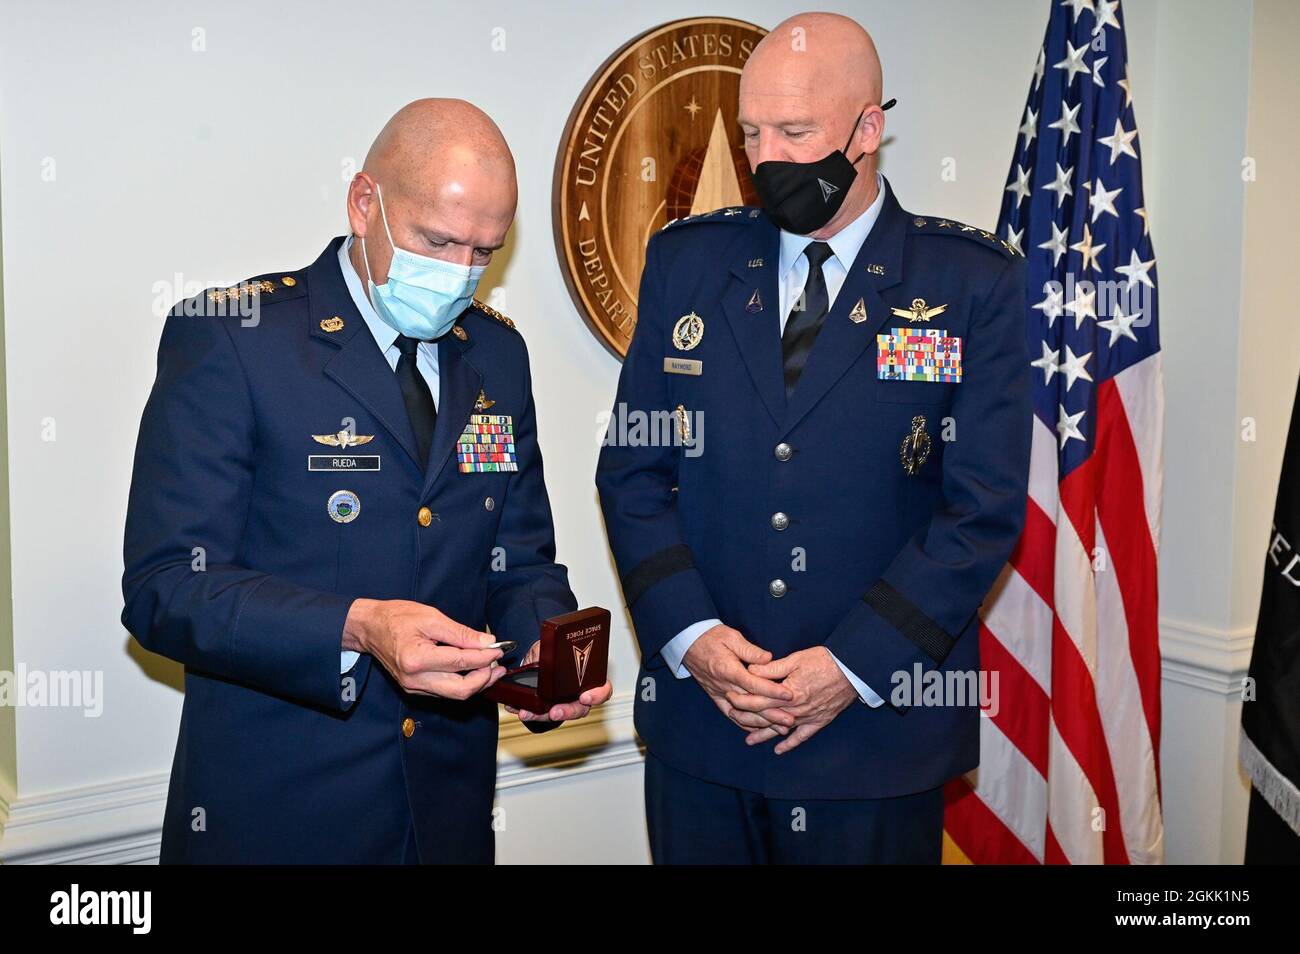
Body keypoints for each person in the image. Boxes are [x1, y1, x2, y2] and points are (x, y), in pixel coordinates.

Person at [122, 98, 610, 864]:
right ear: (364, 203)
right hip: (279, 817)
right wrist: (356, 627)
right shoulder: (234, 337)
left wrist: (539, 661)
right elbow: (165, 589)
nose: (459, 275)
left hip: (445, 815)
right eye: (437, 241)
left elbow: (518, 558)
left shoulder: (496, 356)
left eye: (485, 251)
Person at [596, 13, 1031, 863]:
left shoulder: (969, 281)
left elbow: (980, 510)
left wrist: (853, 665)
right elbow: (633, 473)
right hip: (704, 732)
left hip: (874, 739)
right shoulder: (690, 262)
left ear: (868, 129)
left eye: (796, 132)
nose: (768, 160)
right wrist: (693, 640)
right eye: (753, 133)